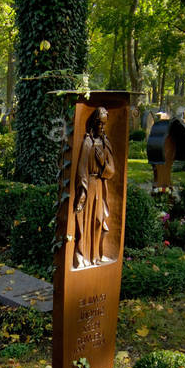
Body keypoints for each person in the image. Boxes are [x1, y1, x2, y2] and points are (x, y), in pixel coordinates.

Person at [73, 107, 114, 267]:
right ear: (94, 123)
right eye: (100, 124)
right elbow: (82, 169)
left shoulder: (105, 143)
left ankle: (96, 255)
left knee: (98, 221)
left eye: (104, 125)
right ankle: (84, 257)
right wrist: (82, 191)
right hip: (88, 185)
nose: (102, 128)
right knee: (86, 222)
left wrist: (103, 162)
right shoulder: (88, 142)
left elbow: (112, 171)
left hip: (100, 186)